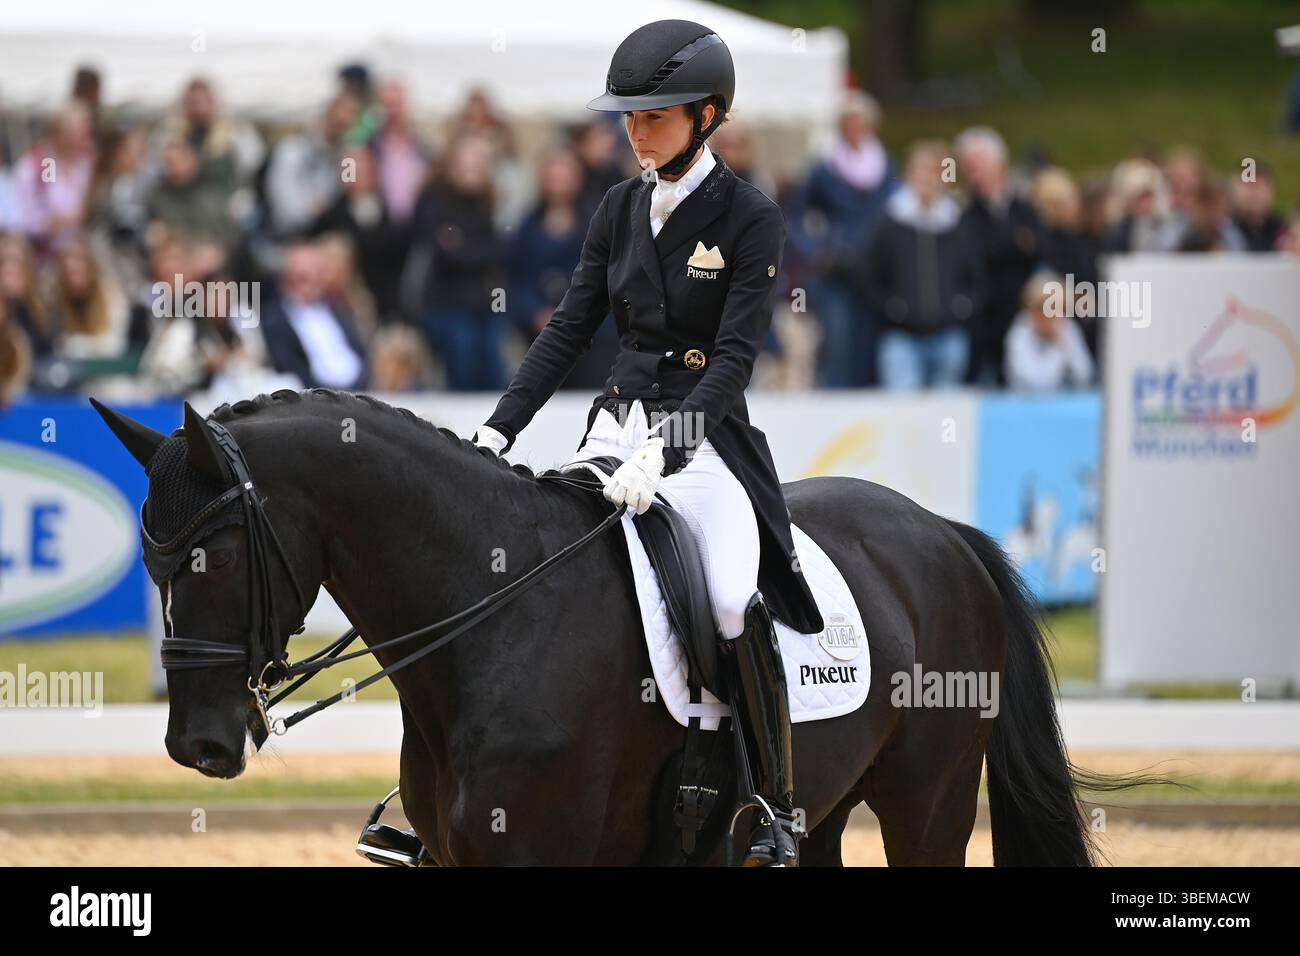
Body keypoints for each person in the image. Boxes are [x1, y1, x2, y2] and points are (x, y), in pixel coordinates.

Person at [470, 19, 823, 866]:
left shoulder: (750, 218)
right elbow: (567, 331)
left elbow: (735, 360)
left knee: (735, 602)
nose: (634, 132)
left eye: (653, 117)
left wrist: (666, 451)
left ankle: (772, 804)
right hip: (612, 433)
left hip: (702, 450)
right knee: (533, 575)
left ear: (708, 117)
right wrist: (498, 425)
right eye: (627, 117)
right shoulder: (619, 205)